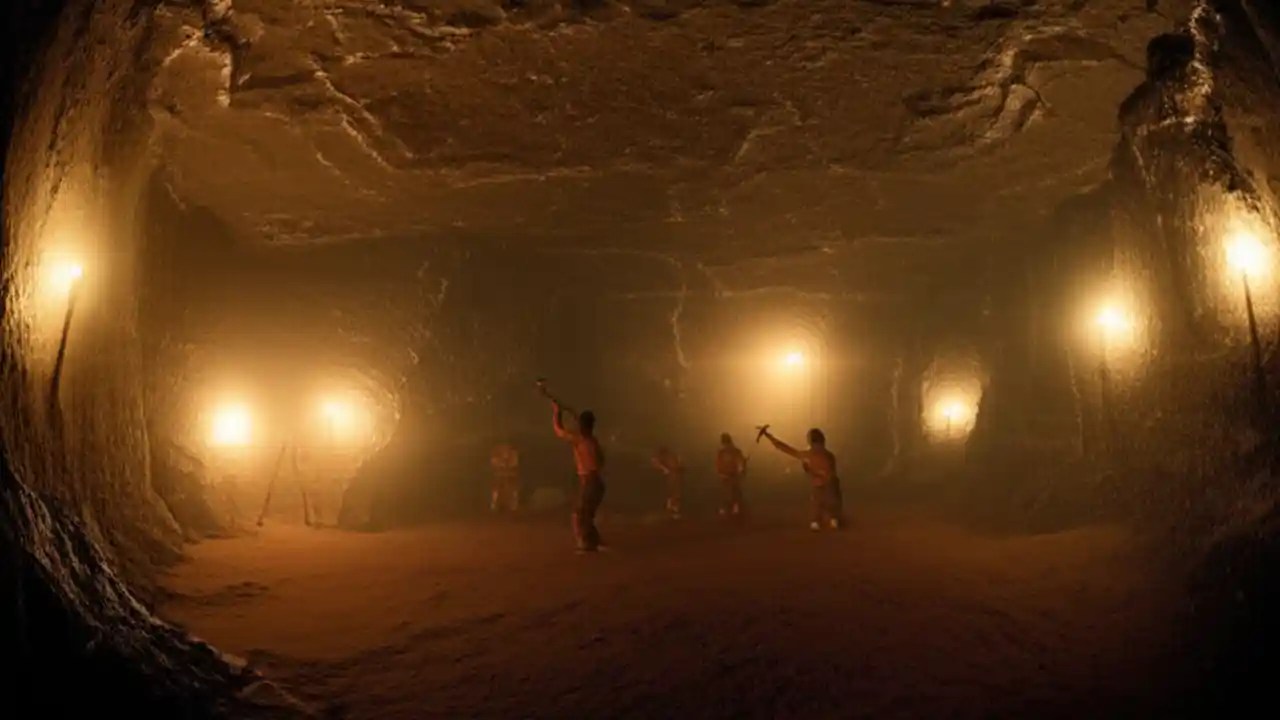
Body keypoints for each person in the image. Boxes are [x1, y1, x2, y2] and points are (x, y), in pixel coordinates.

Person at [760, 427, 845, 531]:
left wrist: (812, 472)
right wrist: (769, 436)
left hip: (827, 490)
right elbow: (785, 448)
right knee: (821, 514)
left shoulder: (815, 456)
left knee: (824, 514)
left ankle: (828, 519)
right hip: (824, 490)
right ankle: (826, 519)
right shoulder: (823, 456)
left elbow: (828, 476)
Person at [551, 401, 606, 552]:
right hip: (597, 483)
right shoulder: (592, 441)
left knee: (578, 515)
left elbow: (558, 430)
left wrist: (556, 413)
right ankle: (593, 541)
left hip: (590, 481)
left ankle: (585, 543)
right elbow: (601, 461)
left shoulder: (579, 440)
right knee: (587, 515)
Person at [715, 433, 748, 519]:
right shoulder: (722, 453)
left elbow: (741, 464)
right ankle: (727, 512)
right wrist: (721, 473)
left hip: (733, 476)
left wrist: (742, 468)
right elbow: (718, 465)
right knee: (727, 495)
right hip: (726, 476)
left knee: (735, 495)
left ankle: (735, 512)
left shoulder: (735, 451)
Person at [651, 446, 685, 519]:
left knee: (674, 494)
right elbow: (656, 464)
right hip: (667, 478)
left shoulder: (673, 457)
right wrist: (665, 469)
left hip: (673, 476)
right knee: (669, 494)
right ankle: (669, 511)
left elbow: (678, 466)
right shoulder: (661, 459)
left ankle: (673, 511)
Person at [489, 442, 521, 512]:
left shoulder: (513, 454)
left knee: (512, 488)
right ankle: (494, 504)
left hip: (510, 475)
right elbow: (495, 466)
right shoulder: (496, 456)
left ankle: (513, 505)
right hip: (499, 475)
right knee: (496, 488)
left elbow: (514, 466)